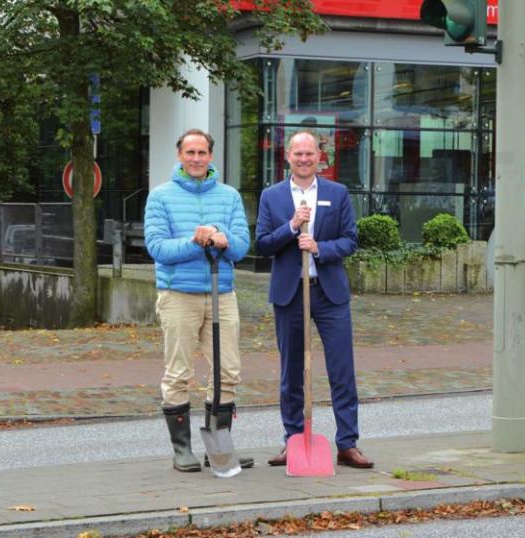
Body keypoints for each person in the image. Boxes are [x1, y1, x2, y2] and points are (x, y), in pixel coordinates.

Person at [256, 130, 373, 469]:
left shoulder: (337, 193)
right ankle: (293, 441)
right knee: (291, 372)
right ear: (288, 157)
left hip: (329, 292)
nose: (304, 159)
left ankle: (347, 443)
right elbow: (262, 244)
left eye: (310, 154)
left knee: (342, 370)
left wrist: (321, 248)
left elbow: (350, 240)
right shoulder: (272, 196)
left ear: (320, 157)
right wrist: (292, 227)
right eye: (298, 154)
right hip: (290, 293)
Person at [144, 128, 253, 472]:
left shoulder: (229, 196)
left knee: (228, 371)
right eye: (189, 152)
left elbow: (242, 246)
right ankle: (183, 450)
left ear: (210, 156)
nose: (195, 159)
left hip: (222, 293)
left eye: (201, 152)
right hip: (179, 295)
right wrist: (195, 241)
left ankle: (218, 449)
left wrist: (223, 241)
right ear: (179, 156)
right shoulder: (160, 197)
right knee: (178, 372)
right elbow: (157, 248)